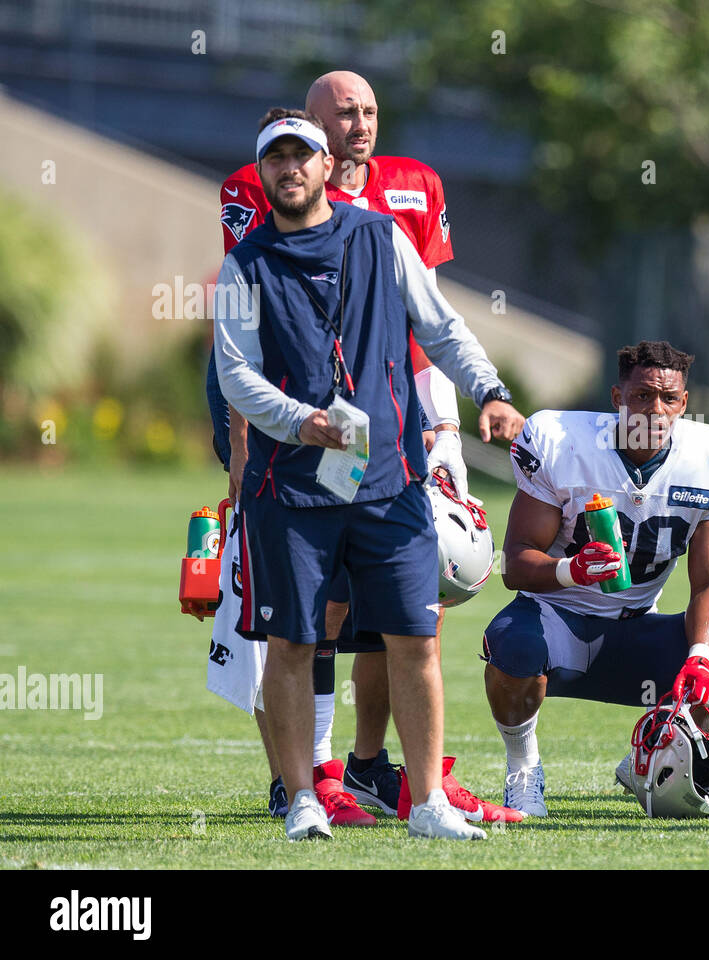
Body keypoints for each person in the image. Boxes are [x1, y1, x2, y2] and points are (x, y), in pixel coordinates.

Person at [207, 71, 521, 825]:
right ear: (264, 174)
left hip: (390, 476)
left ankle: (427, 801)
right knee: (293, 639)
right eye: (274, 160)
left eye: (299, 157)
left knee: (415, 637)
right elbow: (233, 374)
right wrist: (297, 421)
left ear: (324, 167)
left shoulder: (381, 237)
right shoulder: (244, 266)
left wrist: (492, 391)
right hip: (294, 482)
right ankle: (304, 797)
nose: (288, 170)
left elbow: (442, 326)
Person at [480, 340, 709, 816]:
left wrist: (702, 657)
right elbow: (516, 563)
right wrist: (572, 569)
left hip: (638, 627)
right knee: (511, 648)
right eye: (643, 396)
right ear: (617, 397)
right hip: (557, 622)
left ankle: (653, 754)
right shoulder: (562, 443)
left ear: (684, 404)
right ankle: (523, 770)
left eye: (669, 399)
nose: (655, 410)